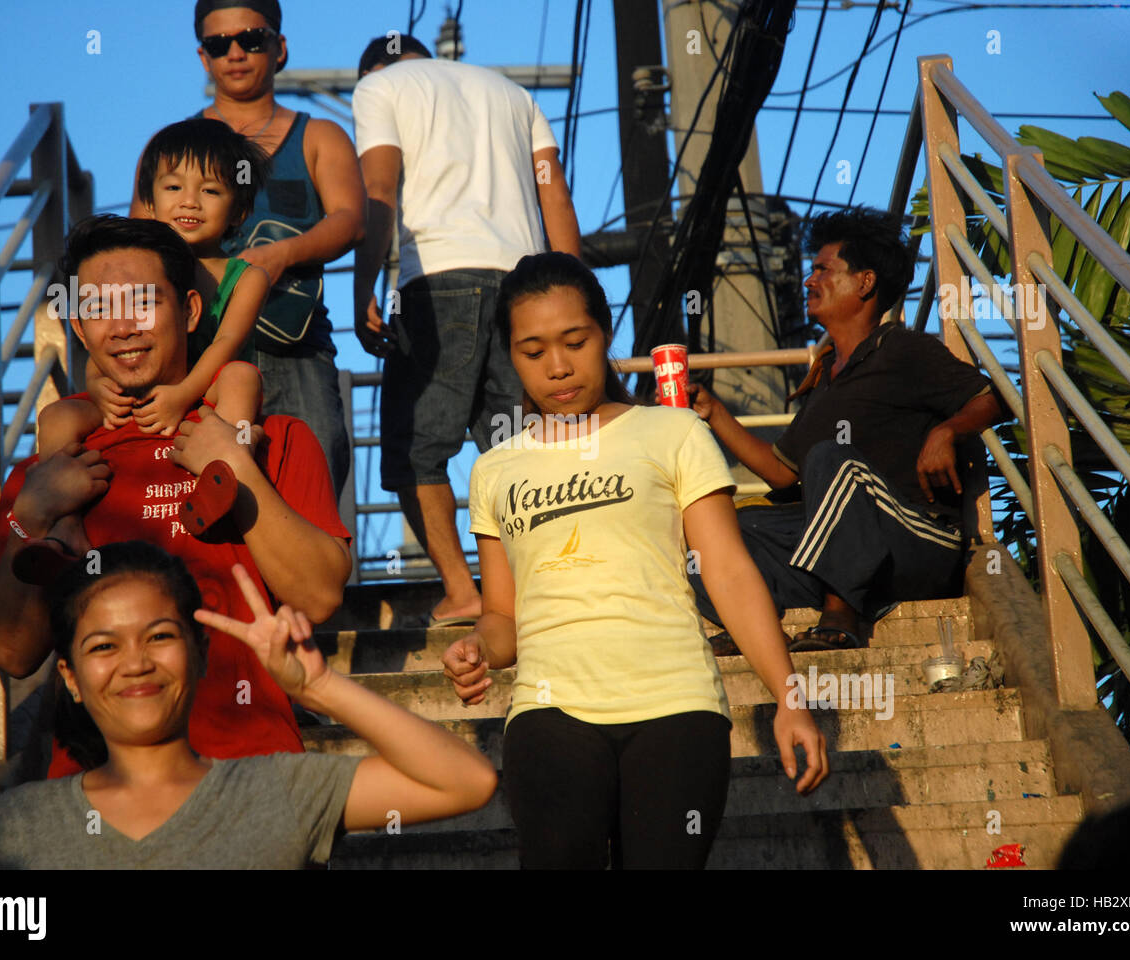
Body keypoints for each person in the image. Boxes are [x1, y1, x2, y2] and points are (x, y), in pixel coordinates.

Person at [440, 253, 827, 869]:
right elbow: (502, 618)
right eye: (533, 352)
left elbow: (726, 571)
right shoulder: (493, 471)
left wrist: (788, 695)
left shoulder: (671, 434)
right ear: (509, 356)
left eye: (575, 341)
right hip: (548, 712)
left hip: (677, 706)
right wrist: (476, 652)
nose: (558, 367)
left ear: (606, 334)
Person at [0, 215, 354, 778]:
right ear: (79, 328)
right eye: (100, 308)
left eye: (144, 302)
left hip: (253, 777)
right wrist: (33, 516)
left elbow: (319, 595)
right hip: (98, 796)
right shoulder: (50, 472)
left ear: (191, 311)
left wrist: (234, 466)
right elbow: (12, 652)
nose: (123, 326)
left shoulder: (273, 440)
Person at [0, 542, 497, 868]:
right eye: (104, 646)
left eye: (160, 636)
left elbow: (464, 781)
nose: (136, 663)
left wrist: (318, 687)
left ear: (200, 653)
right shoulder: (21, 823)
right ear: (70, 678)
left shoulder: (278, 790)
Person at [686, 206, 1007, 651]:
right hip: (846, 553)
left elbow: (995, 396)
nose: (809, 280)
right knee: (712, 528)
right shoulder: (824, 378)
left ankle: (841, 616)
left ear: (865, 282)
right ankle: (753, 628)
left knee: (832, 460)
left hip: (916, 543)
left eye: (823, 270)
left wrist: (947, 431)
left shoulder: (902, 349)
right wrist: (713, 412)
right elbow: (780, 473)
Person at [352, 34, 583, 627]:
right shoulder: (513, 93)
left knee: (414, 449)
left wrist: (363, 291)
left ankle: (463, 591)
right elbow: (553, 191)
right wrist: (576, 299)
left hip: (437, 280)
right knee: (517, 443)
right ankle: (538, 586)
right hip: (523, 288)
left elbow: (377, 190)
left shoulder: (378, 87)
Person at [129, 0, 366, 500]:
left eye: (251, 39)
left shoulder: (319, 135)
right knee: (198, 490)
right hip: (192, 347)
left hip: (292, 342)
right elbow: (136, 244)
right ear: (203, 57)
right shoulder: (170, 149)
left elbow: (351, 219)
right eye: (219, 44)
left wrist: (283, 255)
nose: (235, 53)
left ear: (279, 48)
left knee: (312, 472)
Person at [32, 119, 271, 564]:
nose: (189, 202)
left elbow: (227, 344)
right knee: (56, 415)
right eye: (173, 187)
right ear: (148, 201)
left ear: (238, 211)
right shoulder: (132, 267)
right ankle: (61, 526)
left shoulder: (247, 276)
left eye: (211, 191)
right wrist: (97, 381)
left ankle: (224, 478)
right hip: (139, 391)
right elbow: (103, 340)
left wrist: (184, 394)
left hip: (209, 387)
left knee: (241, 377)